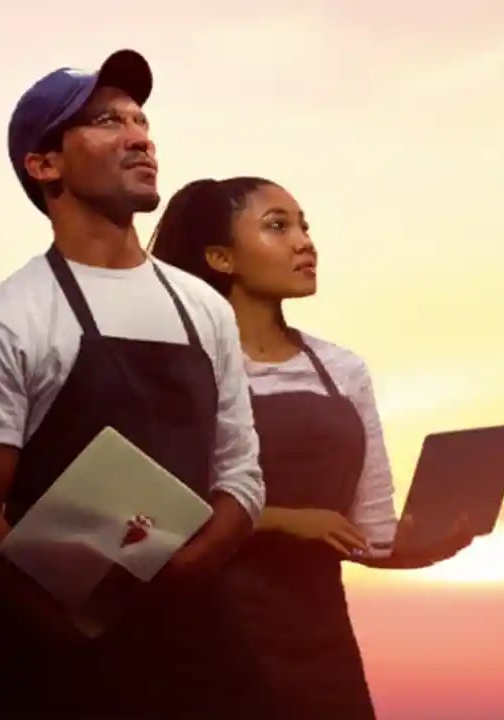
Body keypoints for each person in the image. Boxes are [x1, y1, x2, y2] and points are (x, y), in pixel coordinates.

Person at [0, 50, 265, 719]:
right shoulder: (9, 319)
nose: (140, 136)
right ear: (45, 165)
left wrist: (190, 568)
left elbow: (242, 474)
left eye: (141, 120)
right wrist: (68, 624)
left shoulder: (203, 309)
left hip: (194, 656)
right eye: (106, 120)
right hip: (50, 670)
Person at [149, 176, 476, 719]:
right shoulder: (176, 367)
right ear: (220, 257)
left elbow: (367, 532)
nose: (305, 242)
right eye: (278, 227)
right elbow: (148, 513)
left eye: (304, 226)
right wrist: (280, 518)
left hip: (321, 650)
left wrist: (423, 544)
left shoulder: (343, 370)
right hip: (203, 646)